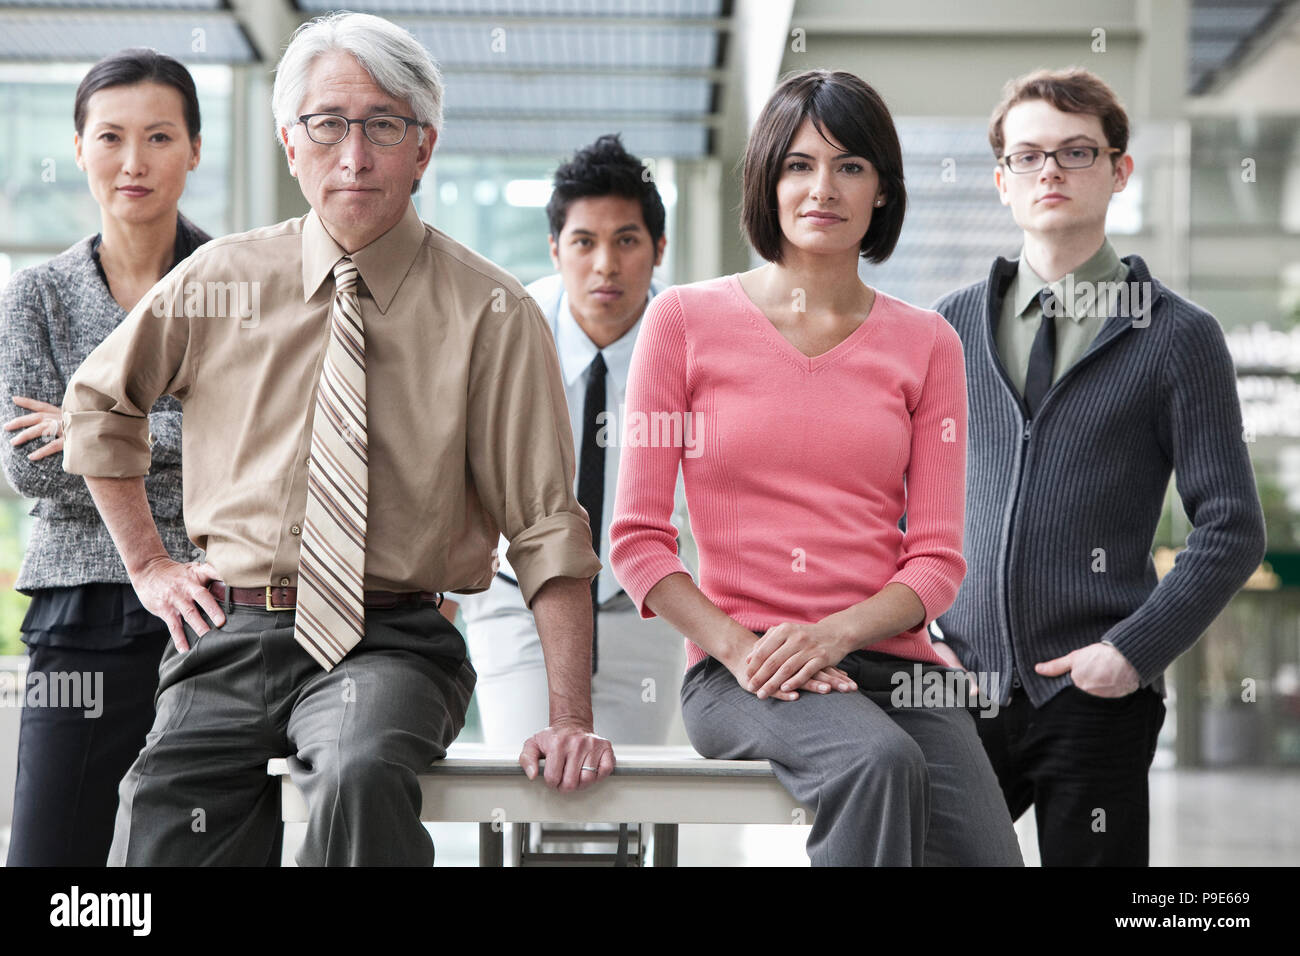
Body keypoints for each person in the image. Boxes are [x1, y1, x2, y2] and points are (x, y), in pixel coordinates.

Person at [58, 11, 610, 867]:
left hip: (394, 641)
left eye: (383, 125)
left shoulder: (493, 313)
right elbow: (99, 405)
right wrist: (150, 565)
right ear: (290, 143)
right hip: (234, 635)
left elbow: (546, 528)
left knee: (359, 770)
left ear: (423, 147)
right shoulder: (223, 278)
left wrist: (569, 716)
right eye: (327, 125)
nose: (353, 156)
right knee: (160, 807)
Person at [609, 69, 1023, 866]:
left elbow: (936, 561)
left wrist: (834, 637)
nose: (822, 188)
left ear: (882, 193)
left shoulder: (928, 343)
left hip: (893, 664)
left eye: (850, 166)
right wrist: (739, 647)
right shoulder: (683, 322)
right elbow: (637, 542)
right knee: (876, 762)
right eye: (799, 164)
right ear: (767, 180)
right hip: (741, 666)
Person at [930, 67, 1266, 866]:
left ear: (1120, 172)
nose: (1049, 171)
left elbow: (1231, 528)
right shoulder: (946, 329)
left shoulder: (1178, 337)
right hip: (959, 688)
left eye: (1076, 152)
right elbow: (899, 505)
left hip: (1095, 695)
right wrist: (924, 634)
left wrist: (1132, 651)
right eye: (1027, 156)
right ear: (1001, 181)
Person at [1, 48, 211, 867]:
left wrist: (87, 425)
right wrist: (174, 433)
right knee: (51, 852)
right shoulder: (36, 296)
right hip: (76, 607)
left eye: (160, 137)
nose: (134, 162)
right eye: (112, 137)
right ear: (80, 146)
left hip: (212, 600)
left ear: (194, 149)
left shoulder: (236, 284)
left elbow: (254, 449)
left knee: (200, 845)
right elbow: (29, 468)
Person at [454, 134, 688, 749]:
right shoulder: (509, 331)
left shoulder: (693, 344)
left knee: (627, 800)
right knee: (527, 775)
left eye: (627, 241)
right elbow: (460, 473)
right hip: (518, 599)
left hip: (647, 604)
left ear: (659, 249)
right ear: (556, 249)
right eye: (584, 242)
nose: (605, 265)